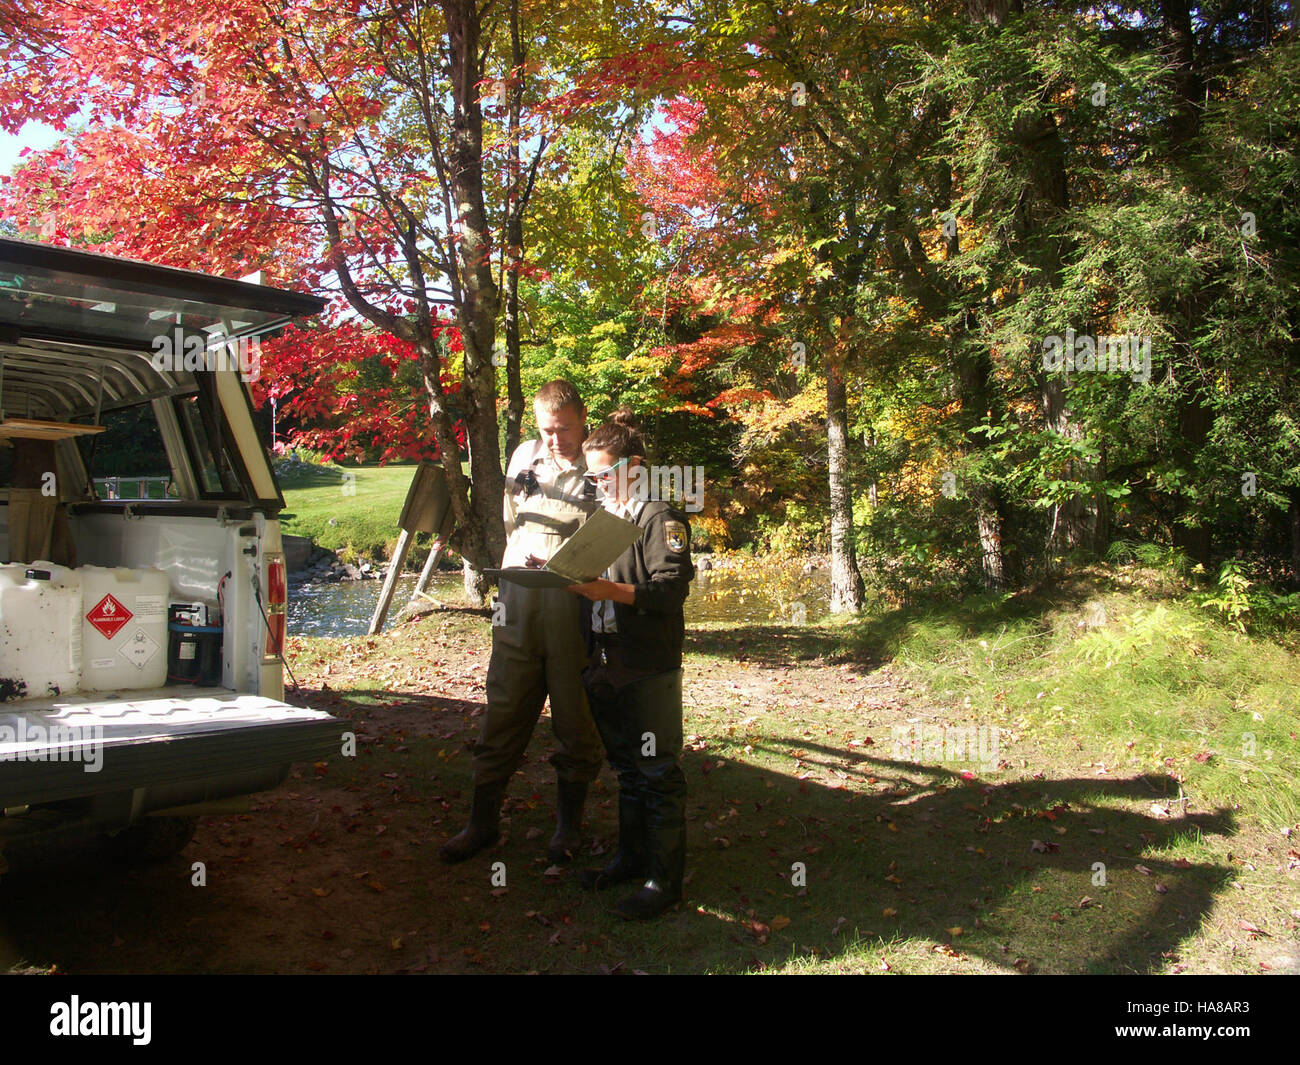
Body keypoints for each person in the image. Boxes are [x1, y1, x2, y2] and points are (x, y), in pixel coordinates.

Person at [440, 380, 604, 865]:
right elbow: (512, 519)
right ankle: (481, 824)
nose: (557, 440)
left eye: (566, 429)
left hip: (573, 609)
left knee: (575, 717)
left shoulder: (600, 466)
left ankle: (567, 830)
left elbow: (617, 534)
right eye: (548, 430)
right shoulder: (523, 458)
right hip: (517, 604)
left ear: (583, 418)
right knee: (504, 707)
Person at [567, 410, 695, 919]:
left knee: (658, 771)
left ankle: (664, 883)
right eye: (592, 476)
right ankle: (629, 861)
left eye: (605, 474)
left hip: (646, 664)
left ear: (635, 466)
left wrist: (607, 590)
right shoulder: (608, 518)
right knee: (627, 770)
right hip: (604, 660)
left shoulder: (662, 518)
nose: (597, 484)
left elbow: (670, 591)